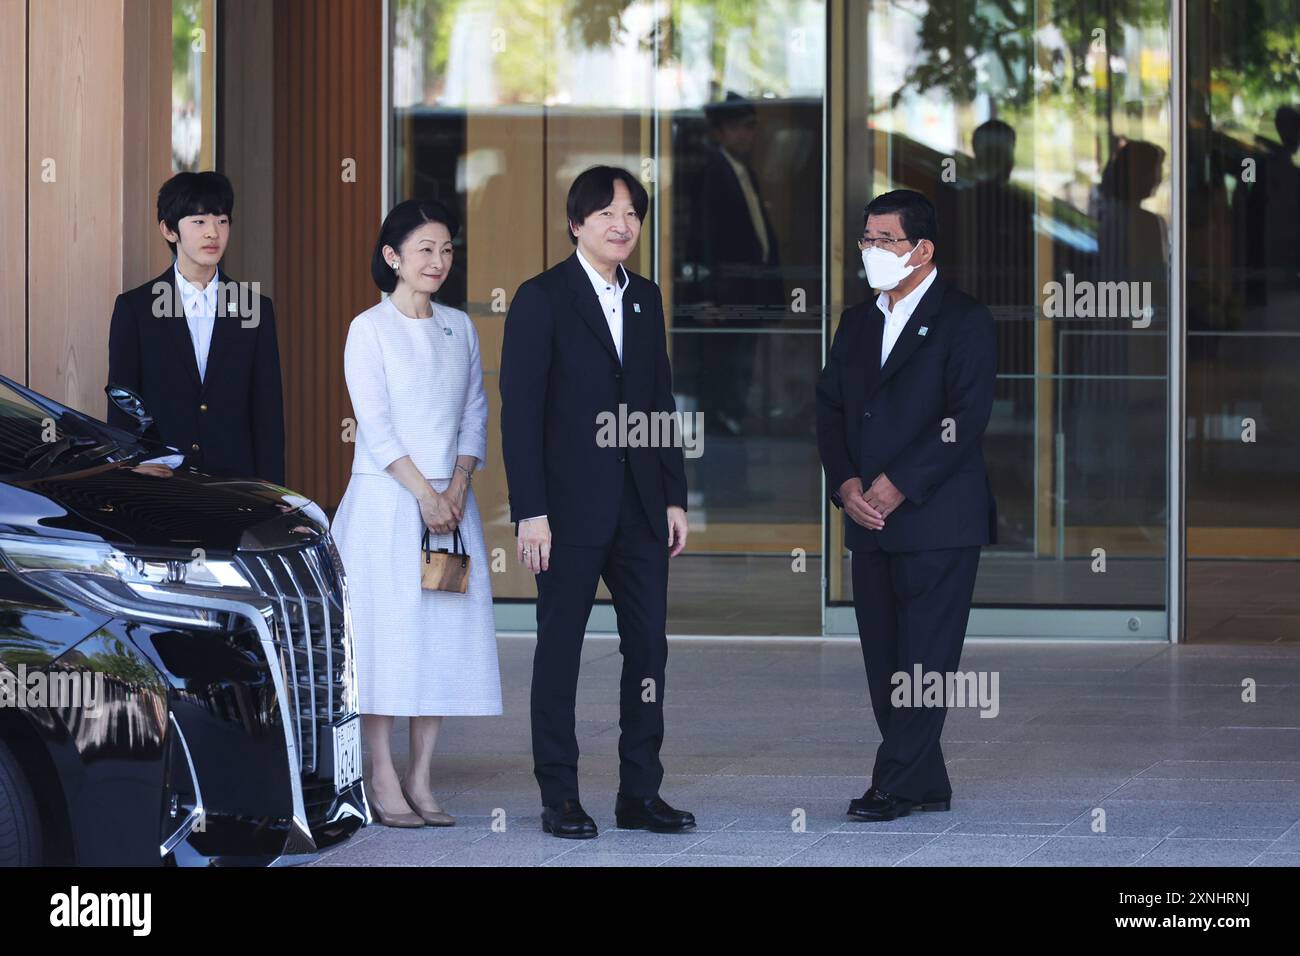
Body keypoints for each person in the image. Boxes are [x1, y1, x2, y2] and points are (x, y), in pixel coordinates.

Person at [499, 166, 694, 840]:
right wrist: (531, 510)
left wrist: (674, 495)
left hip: (640, 508)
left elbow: (658, 401)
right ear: (576, 223)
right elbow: (520, 413)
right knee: (560, 650)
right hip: (567, 513)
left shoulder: (646, 298)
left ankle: (640, 792)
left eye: (633, 213)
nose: (623, 224)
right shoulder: (541, 298)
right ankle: (561, 795)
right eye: (608, 213)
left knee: (648, 652)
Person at [815, 188, 997, 821]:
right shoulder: (858, 320)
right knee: (885, 658)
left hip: (937, 519)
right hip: (867, 518)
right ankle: (927, 780)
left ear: (922, 249)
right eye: (866, 240)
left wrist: (896, 484)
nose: (871, 251)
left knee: (926, 658)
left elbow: (965, 416)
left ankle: (893, 781)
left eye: (884, 240)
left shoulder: (964, 319)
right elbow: (830, 408)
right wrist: (846, 486)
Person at [331, 199, 502, 828]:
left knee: (438, 639)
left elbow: (475, 412)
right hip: (386, 501)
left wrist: (456, 484)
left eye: (446, 249)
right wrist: (424, 493)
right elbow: (374, 422)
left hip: (450, 509)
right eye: (425, 249)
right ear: (392, 257)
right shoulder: (367, 328)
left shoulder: (459, 326)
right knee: (384, 638)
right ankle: (380, 774)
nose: (437, 260)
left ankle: (422, 776)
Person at [107, 171, 285, 484]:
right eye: (199, 221)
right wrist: (132, 466)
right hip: (160, 481)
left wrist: (274, 492)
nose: (213, 233)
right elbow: (124, 402)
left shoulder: (254, 307)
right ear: (169, 229)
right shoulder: (135, 307)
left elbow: (267, 412)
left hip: (235, 485)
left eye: (222, 220)